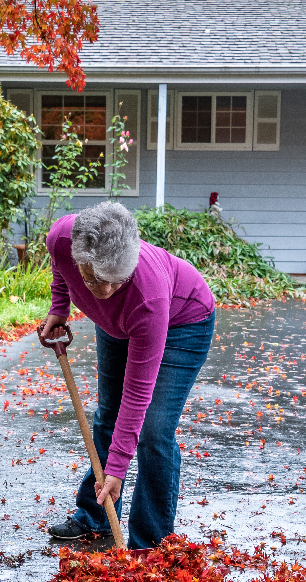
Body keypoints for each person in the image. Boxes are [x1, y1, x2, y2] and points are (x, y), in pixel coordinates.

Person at [40, 202, 216, 550]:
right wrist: (59, 308)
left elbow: (138, 395)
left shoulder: (146, 296)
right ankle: (98, 516)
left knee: (154, 429)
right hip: (116, 325)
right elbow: (61, 269)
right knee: (107, 416)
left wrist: (118, 469)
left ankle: (149, 541)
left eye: (114, 282)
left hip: (184, 323)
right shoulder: (62, 238)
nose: (103, 292)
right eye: (92, 279)